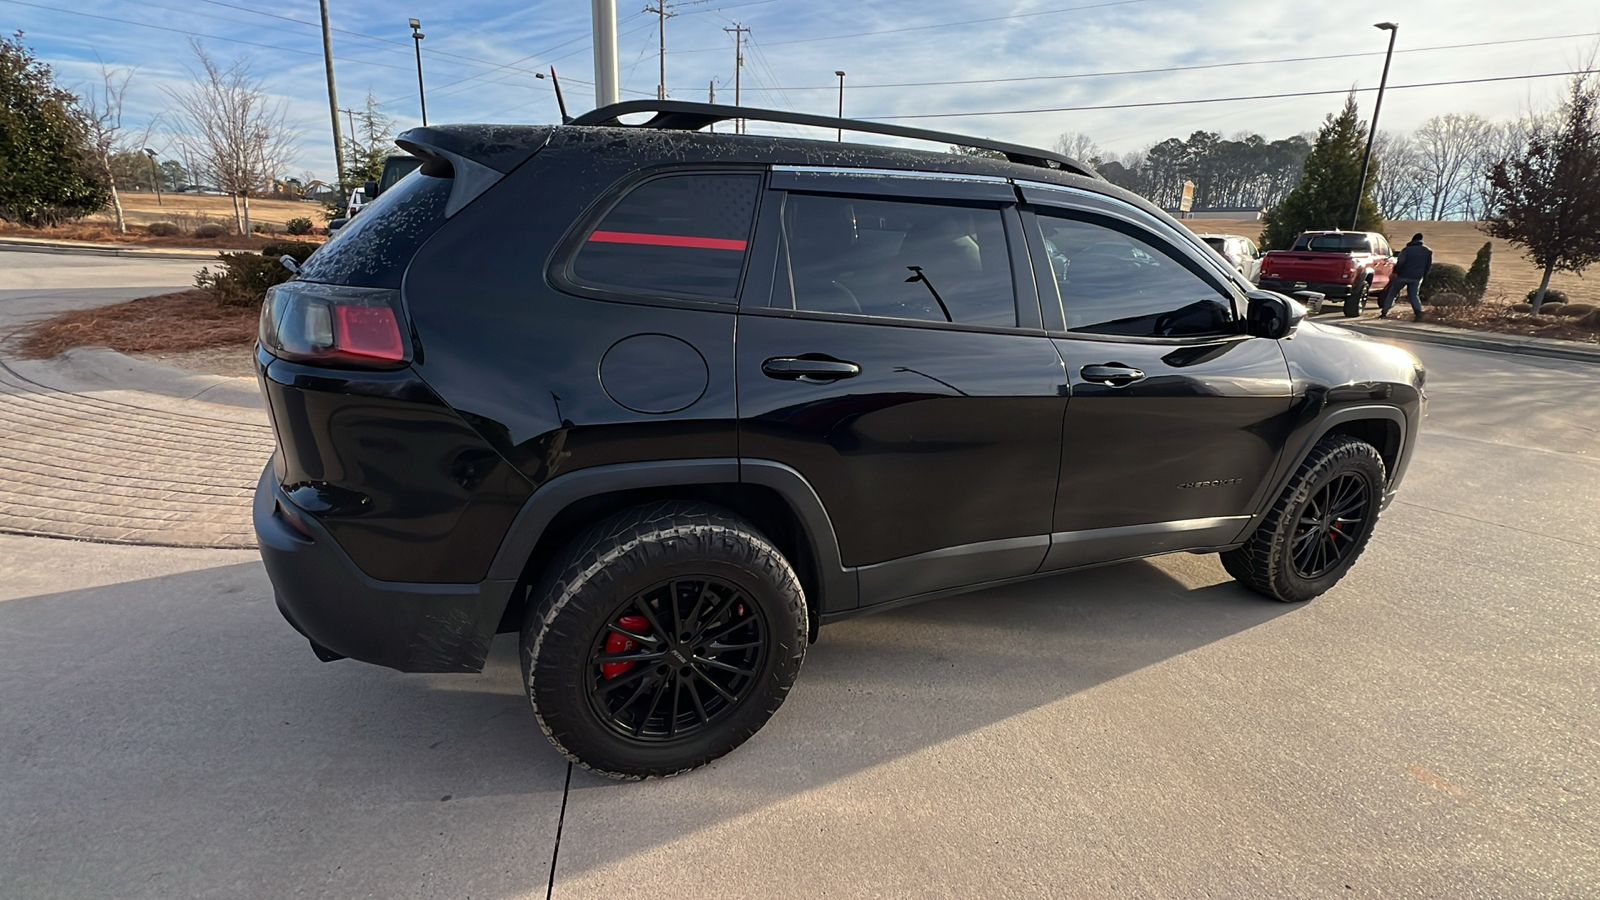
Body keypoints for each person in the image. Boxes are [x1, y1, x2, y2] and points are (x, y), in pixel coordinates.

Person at [1381, 233, 1433, 321]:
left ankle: (1384, 312)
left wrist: (1395, 272)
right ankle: (1418, 313)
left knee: (1393, 293)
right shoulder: (1428, 251)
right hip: (1417, 277)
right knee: (1413, 296)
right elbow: (1428, 266)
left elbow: (1401, 262)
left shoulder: (1406, 250)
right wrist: (1423, 275)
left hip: (1403, 275)